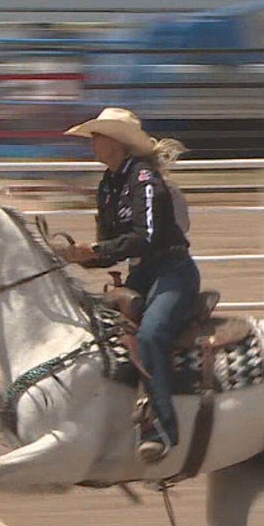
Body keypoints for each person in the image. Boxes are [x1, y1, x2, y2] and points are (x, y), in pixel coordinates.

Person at [55, 107, 199, 464]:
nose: (93, 144)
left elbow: (145, 238)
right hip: (144, 274)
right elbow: (110, 247)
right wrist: (79, 256)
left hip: (172, 272)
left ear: (116, 142)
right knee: (96, 332)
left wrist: (95, 250)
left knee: (150, 335)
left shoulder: (144, 180)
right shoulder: (109, 185)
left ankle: (164, 428)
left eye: (98, 137)